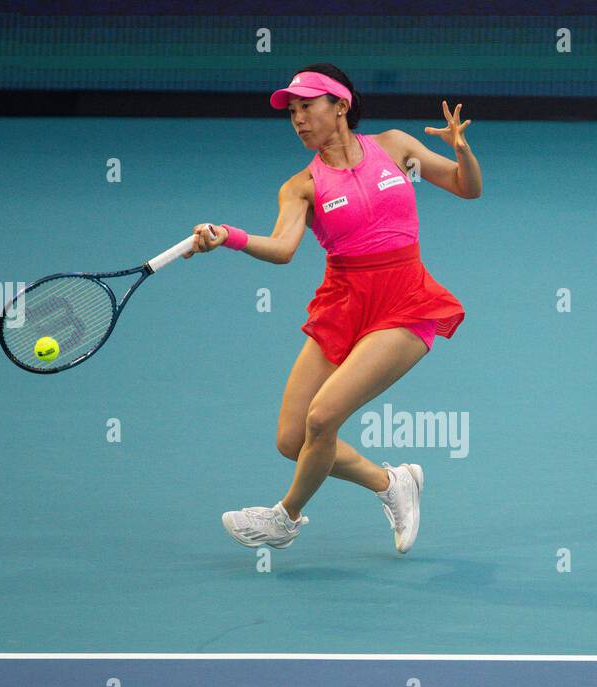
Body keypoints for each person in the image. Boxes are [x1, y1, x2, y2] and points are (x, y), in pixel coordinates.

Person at [184, 63, 482, 554]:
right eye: (292, 112)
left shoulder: (394, 147)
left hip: (405, 299)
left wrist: (463, 152)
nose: (298, 119)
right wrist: (227, 237)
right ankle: (392, 484)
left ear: (340, 105)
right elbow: (282, 248)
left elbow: (468, 188)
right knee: (291, 438)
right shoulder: (301, 185)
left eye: (307, 107)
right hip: (343, 304)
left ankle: (286, 516)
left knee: (322, 419)